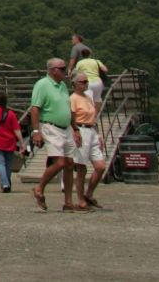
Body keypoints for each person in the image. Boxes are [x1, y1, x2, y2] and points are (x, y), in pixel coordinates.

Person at [29, 57, 81, 211]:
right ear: (52, 70)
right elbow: (35, 108)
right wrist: (36, 131)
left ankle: (68, 202)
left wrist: (75, 128)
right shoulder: (42, 85)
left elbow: (68, 108)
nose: (65, 71)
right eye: (62, 68)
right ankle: (39, 187)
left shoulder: (63, 85)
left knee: (70, 164)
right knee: (60, 162)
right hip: (50, 126)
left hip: (65, 128)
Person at [68, 72, 108, 208]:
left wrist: (98, 135)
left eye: (87, 82)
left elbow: (94, 117)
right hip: (81, 129)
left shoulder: (88, 97)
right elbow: (71, 117)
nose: (86, 84)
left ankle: (89, 193)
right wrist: (75, 131)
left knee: (100, 166)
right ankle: (81, 200)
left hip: (91, 129)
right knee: (81, 169)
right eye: (83, 82)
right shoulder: (73, 98)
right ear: (75, 84)